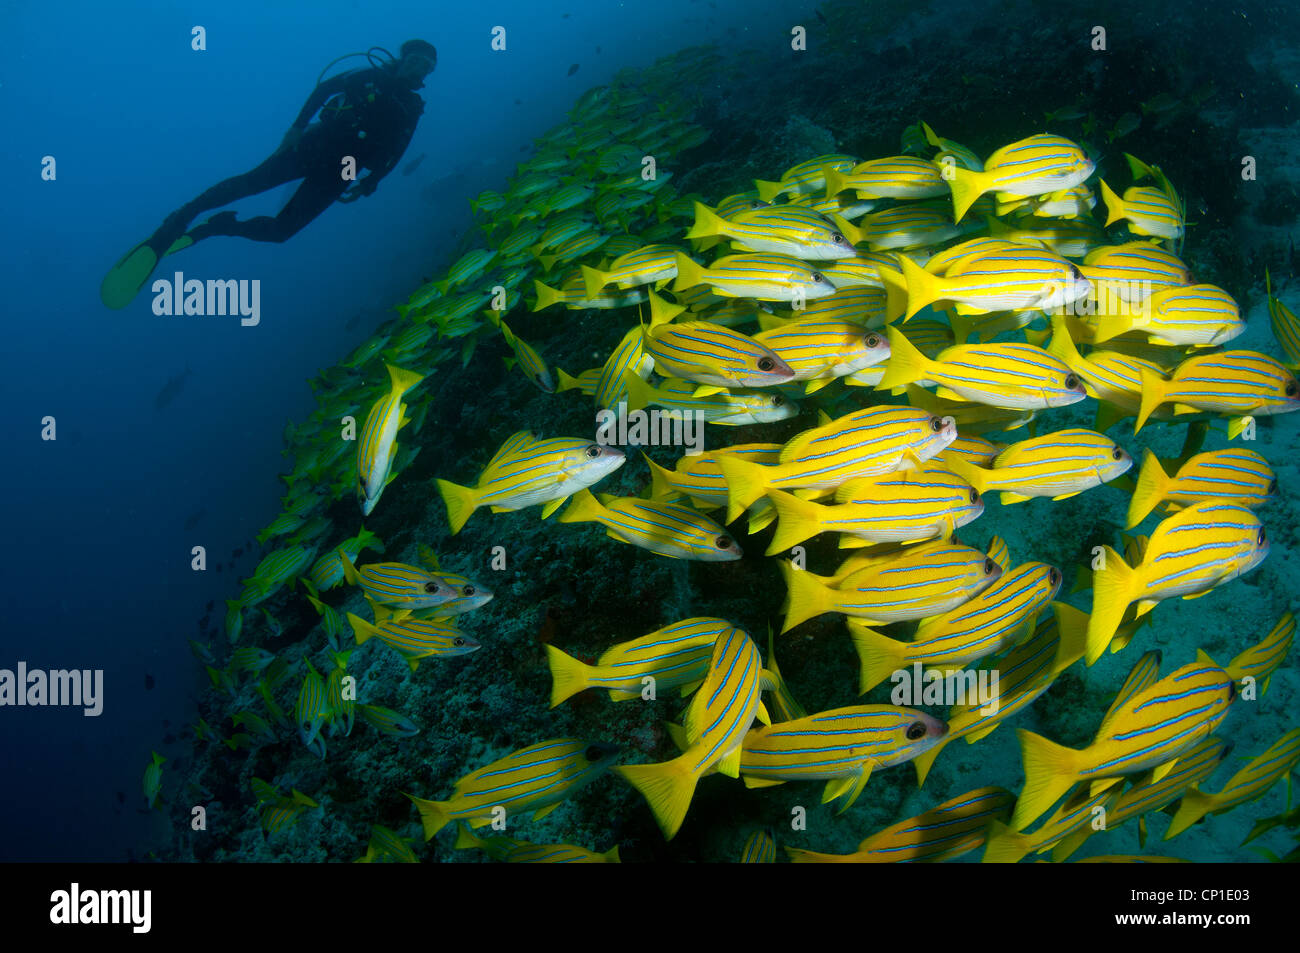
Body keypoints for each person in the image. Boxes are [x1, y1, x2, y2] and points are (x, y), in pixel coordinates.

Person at [101, 40, 437, 309]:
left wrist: (371, 181)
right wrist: (296, 128)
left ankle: (218, 227)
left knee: (281, 232)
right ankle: (179, 219)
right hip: (312, 146)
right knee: (249, 184)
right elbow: (321, 92)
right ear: (402, 57)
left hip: (342, 171)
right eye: (416, 59)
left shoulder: (411, 107)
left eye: (426, 66)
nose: (419, 67)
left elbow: (399, 149)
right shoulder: (368, 75)